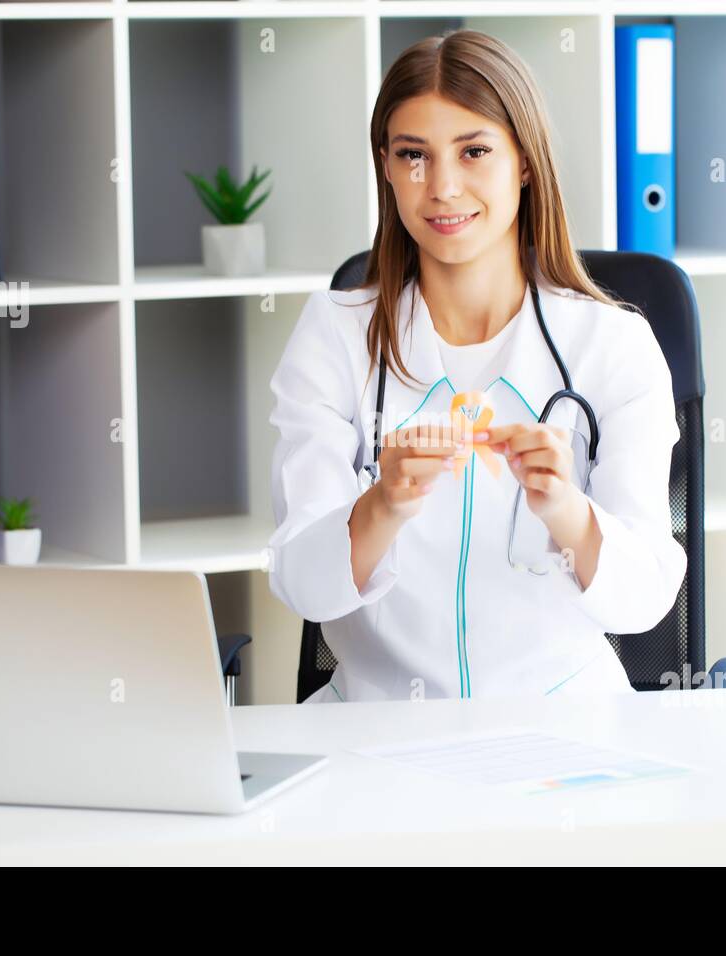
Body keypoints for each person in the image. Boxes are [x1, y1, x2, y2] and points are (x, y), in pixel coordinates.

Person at [267, 30, 687, 702]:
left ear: (524, 161)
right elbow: (302, 584)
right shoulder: (335, 336)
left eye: (474, 151)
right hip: (375, 725)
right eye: (414, 156)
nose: (442, 187)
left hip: (564, 726)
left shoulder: (613, 344)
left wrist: (567, 512)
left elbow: (644, 602)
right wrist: (384, 504)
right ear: (386, 166)